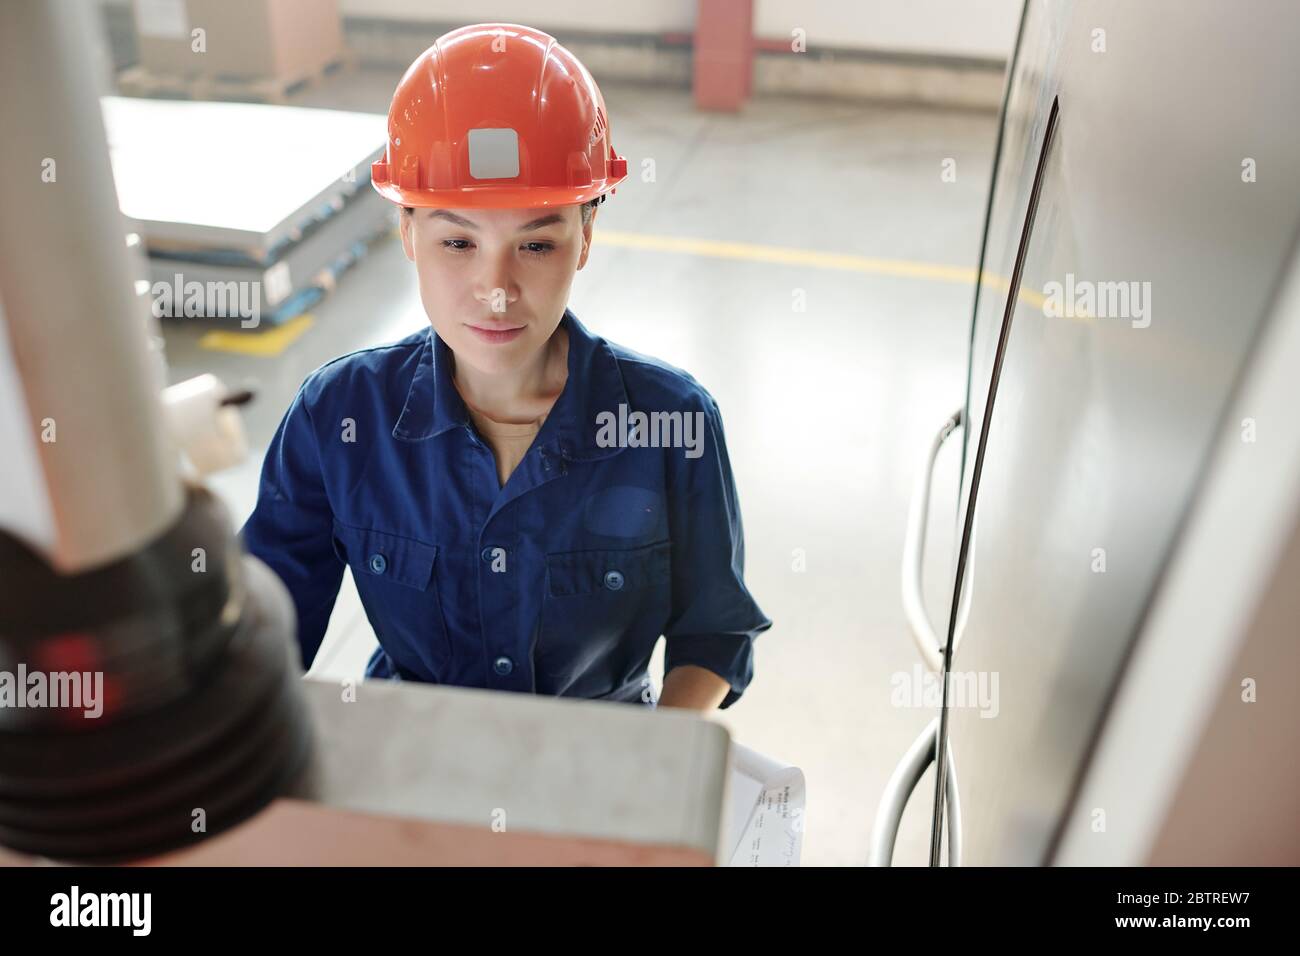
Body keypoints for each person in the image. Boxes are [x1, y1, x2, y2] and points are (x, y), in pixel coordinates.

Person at [240, 23, 771, 710]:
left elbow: (715, 631)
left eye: (537, 245)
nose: (495, 289)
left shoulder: (671, 423)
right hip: (413, 755)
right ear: (407, 233)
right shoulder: (338, 417)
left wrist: (652, 771)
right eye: (458, 241)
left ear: (585, 238)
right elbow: (262, 632)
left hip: (602, 765)